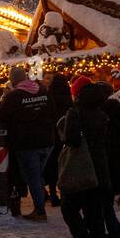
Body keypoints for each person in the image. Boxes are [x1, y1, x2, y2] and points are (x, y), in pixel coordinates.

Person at [58, 82, 111, 238]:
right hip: (100, 170)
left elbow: (71, 139)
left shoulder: (75, 113)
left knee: (69, 209)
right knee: (95, 215)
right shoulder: (102, 115)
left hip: (80, 169)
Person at [0, 65, 56, 222]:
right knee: (38, 175)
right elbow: (53, 111)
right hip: (47, 141)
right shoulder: (42, 90)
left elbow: (1, 116)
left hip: (27, 143)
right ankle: (40, 204)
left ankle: (40, 211)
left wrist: (5, 98)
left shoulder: (14, 96)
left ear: (13, 80)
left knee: (33, 177)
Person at [95, 82, 120, 238]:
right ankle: (114, 233)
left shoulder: (103, 116)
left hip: (108, 166)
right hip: (119, 165)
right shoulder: (119, 114)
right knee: (105, 203)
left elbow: (104, 144)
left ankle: (114, 237)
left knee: (104, 204)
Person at [43, 72, 73, 207]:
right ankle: (64, 192)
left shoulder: (50, 97)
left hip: (52, 135)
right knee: (64, 164)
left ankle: (52, 193)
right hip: (64, 136)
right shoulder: (68, 98)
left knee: (51, 164)